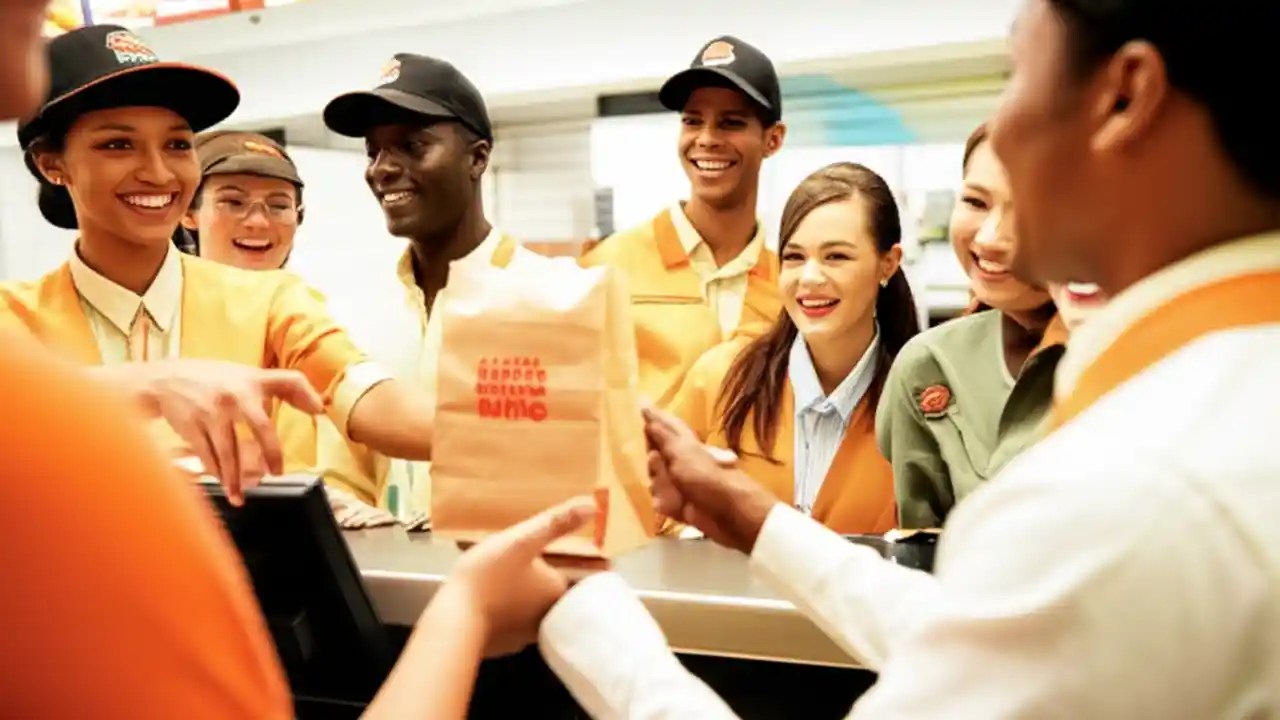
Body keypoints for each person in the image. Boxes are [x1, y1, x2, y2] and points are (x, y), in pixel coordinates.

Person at [517, 0, 1280, 716]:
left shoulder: (1129, 485)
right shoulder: (1221, 402)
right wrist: (759, 523)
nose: (1000, 131)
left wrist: (581, 614)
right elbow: (988, 639)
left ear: (1124, 98)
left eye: (1016, 73)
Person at [1, 26, 444, 494]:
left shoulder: (269, 299)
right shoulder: (15, 317)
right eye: (117, 145)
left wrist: (510, 438)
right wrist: (149, 384)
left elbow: (370, 399)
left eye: (177, 144)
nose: (157, 172)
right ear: (54, 165)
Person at [316, 52, 543, 520]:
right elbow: (344, 463)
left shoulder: (552, 299)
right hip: (390, 580)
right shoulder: (358, 312)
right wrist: (346, 511)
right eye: (373, 151)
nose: (382, 168)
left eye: (412, 146)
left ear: (477, 158)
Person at [876, 122, 1107, 528]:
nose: (991, 237)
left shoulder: (1140, 350)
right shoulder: (929, 366)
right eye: (975, 202)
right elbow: (922, 549)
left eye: (1030, 208)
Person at [667, 163, 919, 533]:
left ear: (888, 264)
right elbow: (643, 500)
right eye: (794, 257)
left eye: (836, 257)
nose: (810, 278)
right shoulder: (722, 377)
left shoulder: (919, 405)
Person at [581, 36, 785, 408]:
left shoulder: (789, 286)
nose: (706, 139)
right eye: (693, 121)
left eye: (731, 123)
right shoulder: (608, 267)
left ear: (773, 140)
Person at [181, 130, 303, 271]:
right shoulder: (159, 291)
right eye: (234, 202)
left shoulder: (304, 293)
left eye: (279, 206)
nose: (259, 222)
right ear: (187, 212)